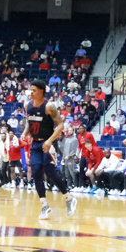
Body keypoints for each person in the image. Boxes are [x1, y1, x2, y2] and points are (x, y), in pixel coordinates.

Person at [22, 80, 77, 220]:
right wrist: (25, 133)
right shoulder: (27, 105)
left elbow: (60, 125)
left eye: (34, 90)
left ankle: (68, 198)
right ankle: (44, 206)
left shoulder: (49, 106)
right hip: (35, 145)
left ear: (41, 91)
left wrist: (50, 140)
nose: (31, 92)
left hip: (49, 144)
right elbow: (30, 121)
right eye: (30, 90)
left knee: (49, 171)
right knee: (35, 172)